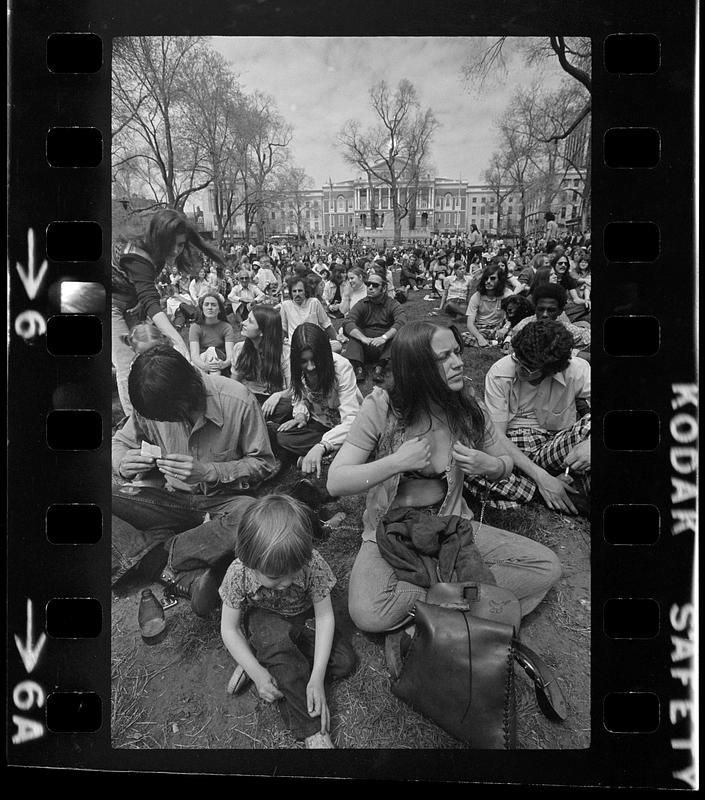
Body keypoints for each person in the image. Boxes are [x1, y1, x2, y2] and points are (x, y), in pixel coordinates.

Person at [326, 321, 561, 634]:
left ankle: (434, 604)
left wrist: (492, 466)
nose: (459, 362)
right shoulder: (381, 407)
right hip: (392, 530)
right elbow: (336, 481)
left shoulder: (466, 405)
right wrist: (395, 462)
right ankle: (464, 596)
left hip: (451, 525)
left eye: (457, 352)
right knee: (367, 613)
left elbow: (504, 461)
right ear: (417, 367)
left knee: (545, 567)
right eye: (444, 357)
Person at [111, 346, 279, 613]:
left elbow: (264, 464)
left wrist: (209, 472)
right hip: (170, 499)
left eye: (170, 416)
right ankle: (175, 559)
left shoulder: (238, 400)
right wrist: (122, 461)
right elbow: (119, 442)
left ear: (187, 393)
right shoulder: (152, 404)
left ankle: (156, 558)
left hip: (222, 504)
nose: (165, 422)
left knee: (251, 513)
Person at [219, 494, 356, 749]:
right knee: (282, 653)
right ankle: (312, 729)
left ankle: (273, 664)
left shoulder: (312, 563)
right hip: (266, 620)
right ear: (250, 563)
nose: (286, 582)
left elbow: (325, 617)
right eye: (274, 577)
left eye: (293, 573)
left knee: (344, 662)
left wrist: (316, 677)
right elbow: (229, 628)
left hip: (303, 618)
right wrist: (257, 674)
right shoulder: (238, 572)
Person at [466, 319, 590, 515]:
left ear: (552, 370)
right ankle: (549, 494)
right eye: (516, 359)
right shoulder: (500, 373)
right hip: (514, 449)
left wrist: (591, 444)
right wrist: (542, 477)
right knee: (466, 460)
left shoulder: (578, 370)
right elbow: (497, 438)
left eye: (527, 368)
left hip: (555, 447)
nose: (517, 368)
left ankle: (536, 489)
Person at [111, 208, 225, 416]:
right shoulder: (135, 255)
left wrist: (138, 300)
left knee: (148, 356)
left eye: (180, 245)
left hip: (131, 302)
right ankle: (133, 423)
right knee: (126, 364)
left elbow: (145, 291)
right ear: (158, 238)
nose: (175, 251)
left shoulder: (159, 251)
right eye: (170, 244)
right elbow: (151, 301)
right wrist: (178, 341)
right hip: (110, 305)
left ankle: (154, 407)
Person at [276, 323, 362, 478]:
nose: (310, 367)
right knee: (282, 435)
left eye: (314, 360)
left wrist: (322, 445)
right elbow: (299, 397)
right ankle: (331, 455)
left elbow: (351, 419)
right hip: (319, 425)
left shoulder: (341, 367)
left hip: (344, 427)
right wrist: (300, 415)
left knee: (356, 437)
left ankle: (316, 455)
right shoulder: (297, 368)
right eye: (304, 362)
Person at [342, 265, 406, 383]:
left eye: (375, 285)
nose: (370, 287)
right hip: (365, 344)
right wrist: (363, 338)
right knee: (353, 335)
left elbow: (401, 321)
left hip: (384, 345)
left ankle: (379, 368)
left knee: (397, 336)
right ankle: (359, 369)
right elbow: (348, 321)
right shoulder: (362, 304)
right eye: (368, 284)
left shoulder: (393, 304)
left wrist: (384, 337)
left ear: (384, 288)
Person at [231, 305, 293, 426]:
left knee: (287, 407)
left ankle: (252, 424)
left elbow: (293, 388)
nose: (243, 323)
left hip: (272, 400)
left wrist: (277, 395)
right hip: (248, 398)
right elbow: (234, 383)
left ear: (262, 332)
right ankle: (261, 424)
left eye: (249, 321)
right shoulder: (239, 349)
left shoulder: (284, 353)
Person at [508, 283, 591, 354]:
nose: (545, 314)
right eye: (541, 309)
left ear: (560, 311)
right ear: (535, 308)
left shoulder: (565, 328)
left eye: (551, 310)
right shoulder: (522, 329)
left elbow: (586, 336)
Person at [279, 276, 341, 351]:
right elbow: (283, 330)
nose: (297, 294)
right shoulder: (286, 305)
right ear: (291, 293)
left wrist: (336, 340)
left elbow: (327, 325)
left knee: (337, 346)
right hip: (295, 346)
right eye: (294, 291)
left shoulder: (314, 302)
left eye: (300, 291)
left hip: (315, 344)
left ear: (305, 291)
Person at [463, 264, 514, 347]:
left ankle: (494, 342)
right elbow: (470, 324)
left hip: (500, 327)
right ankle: (497, 343)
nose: (488, 281)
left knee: (516, 331)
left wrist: (505, 328)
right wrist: (479, 337)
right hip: (482, 328)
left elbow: (513, 317)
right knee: (462, 337)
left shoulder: (507, 294)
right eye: (486, 278)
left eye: (492, 278)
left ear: (500, 280)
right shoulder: (477, 296)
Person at [188, 293, 236, 376]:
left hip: (219, 360)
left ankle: (212, 383)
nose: (210, 308)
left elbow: (230, 356)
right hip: (202, 361)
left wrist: (224, 364)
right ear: (202, 308)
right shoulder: (195, 327)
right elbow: (195, 356)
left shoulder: (226, 327)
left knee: (212, 351)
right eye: (206, 305)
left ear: (219, 309)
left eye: (213, 305)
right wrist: (205, 366)